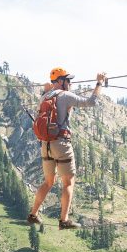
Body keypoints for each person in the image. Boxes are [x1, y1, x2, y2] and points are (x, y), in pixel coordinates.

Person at [28, 67, 106, 230]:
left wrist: (47, 89)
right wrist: (99, 83)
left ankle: (33, 214)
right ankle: (64, 220)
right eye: (68, 80)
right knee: (68, 182)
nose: (70, 83)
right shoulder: (65, 95)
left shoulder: (44, 97)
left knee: (48, 182)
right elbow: (91, 102)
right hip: (61, 143)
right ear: (60, 81)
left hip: (46, 144)